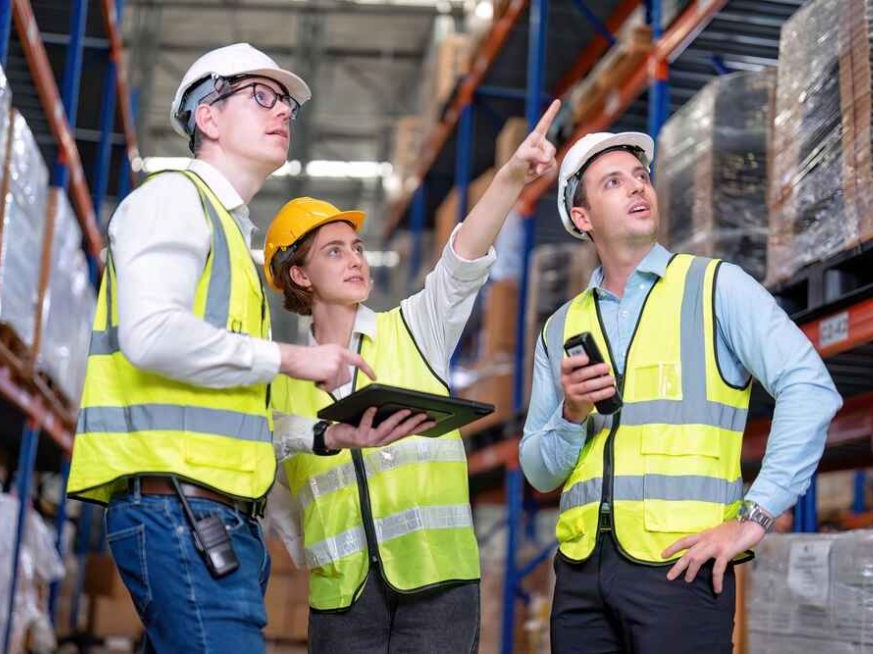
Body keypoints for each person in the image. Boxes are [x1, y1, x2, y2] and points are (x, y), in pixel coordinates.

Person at [66, 43, 390, 653]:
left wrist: (323, 437)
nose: (283, 112)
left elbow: (230, 412)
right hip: (183, 511)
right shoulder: (172, 200)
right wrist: (293, 358)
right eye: (260, 96)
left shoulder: (228, 236)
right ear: (207, 119)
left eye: (287, 102)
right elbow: (151, 335)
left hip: (216, 517)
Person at [520, 131, 843, 653]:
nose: (637, 188)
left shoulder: (716, 287)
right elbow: (539, 471)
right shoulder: (560, 327)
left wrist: (754, 517)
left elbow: (811, 387)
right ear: (583, 218)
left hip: (683, 570)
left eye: (641, 177)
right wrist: (572, 412)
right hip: (581, 578)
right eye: (614, 182)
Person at [264, 102, 561, 653]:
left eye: (356, 247)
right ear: (300, 274)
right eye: (335, 251)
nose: (356, 259)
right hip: (342, 598)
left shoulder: (415, 329)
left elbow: (463, 260)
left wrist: (512, 177)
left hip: (438, 584)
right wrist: (320, 558)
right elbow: (278, 501)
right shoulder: (280, 379)